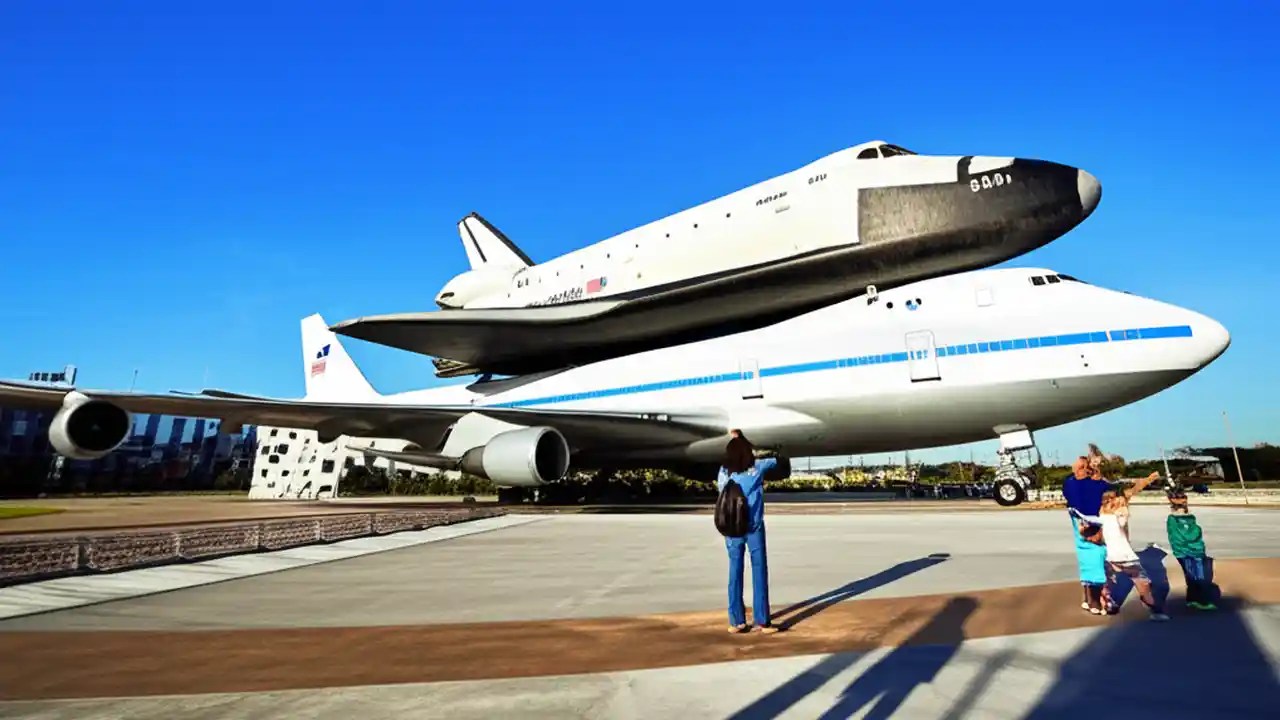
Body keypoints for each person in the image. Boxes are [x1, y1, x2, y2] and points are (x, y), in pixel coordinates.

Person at [1070, 470, 1167, 621]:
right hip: (1126, 557)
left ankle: (1110, 605)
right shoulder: (1117, 516)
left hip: (1110, 557)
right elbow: (1125, 505)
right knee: (1143, 584)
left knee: (1110, 584)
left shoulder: (1099, 518)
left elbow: (1085, 524)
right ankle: (1155, 611)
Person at [716, 431, 779, 634]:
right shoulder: (756, 470)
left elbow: (721, 492)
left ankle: (736, 621)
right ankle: (761, 621)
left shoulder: (724, 473)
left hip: (732, 529)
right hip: (754, 528)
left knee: (734, 572)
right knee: (759, 570)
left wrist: (736, 438)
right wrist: (745, 438)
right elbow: (777, 460)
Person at [1062, 456, 1109, 614]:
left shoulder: (1069, 483)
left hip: (1078, 522)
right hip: (1094, 523)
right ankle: (1095, 601)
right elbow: (1111, 488)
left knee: (1086, 557)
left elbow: (1068, 491)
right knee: (1096, 556)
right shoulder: (1097, 484)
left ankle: (1088, 599)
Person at [1166, 486, 1219, 610]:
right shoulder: (1174, 519)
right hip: (1188, 551)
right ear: (1172, 500)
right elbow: (1187, 535)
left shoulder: (1187, 516)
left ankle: (1192, 599)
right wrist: (1196, 532)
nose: (1183, 500)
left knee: (1191, 575)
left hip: (1191, 550)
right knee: (1199, 576)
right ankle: (1203, 601)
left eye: (1184, 497)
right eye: (1180, 497)